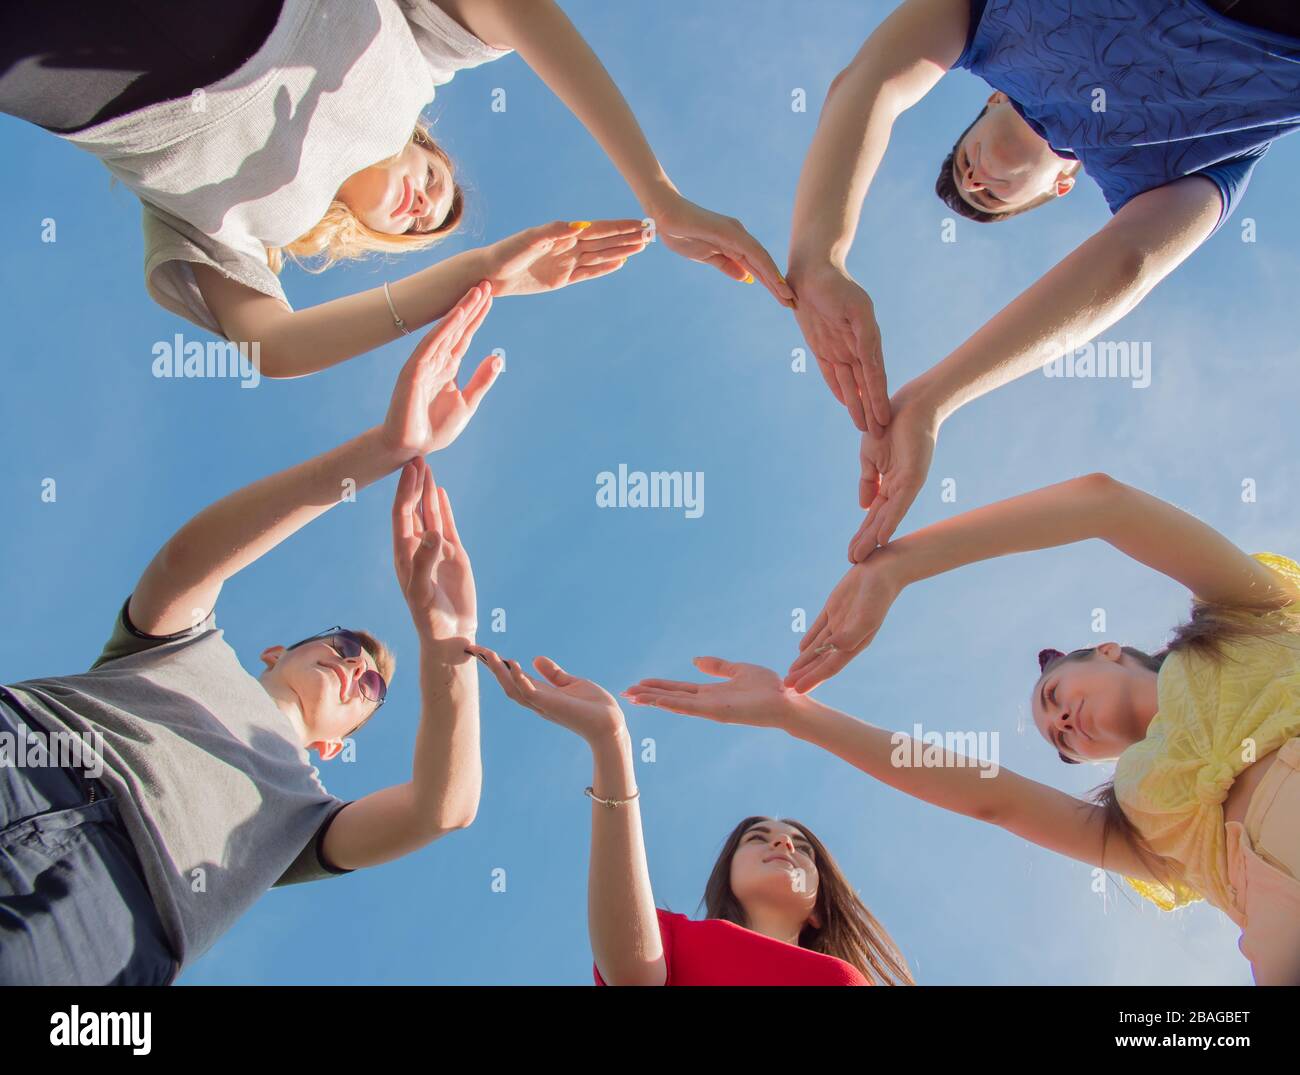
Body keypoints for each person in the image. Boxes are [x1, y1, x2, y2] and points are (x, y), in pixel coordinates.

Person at [0, 283, 496, 985]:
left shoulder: (306, 818)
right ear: (275, 650)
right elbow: (183, 566)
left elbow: (442, 809)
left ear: (334, 746)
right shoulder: (187, 647)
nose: (354, 666)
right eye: (347, 645)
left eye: (372, 684)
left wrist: (450, 642)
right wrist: (383, 449)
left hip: (110, 913)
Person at [629, 472, 1300, 984]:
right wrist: (795, 714)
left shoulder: (1246, 616)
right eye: (1059, 738)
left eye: (1056, 695)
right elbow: (993, 797)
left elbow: (1103, 503)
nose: (1063, 721)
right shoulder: (1142, 826)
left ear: (1108, 648)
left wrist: (900, 565)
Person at [0, 0, 793, 378]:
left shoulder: (252, 236)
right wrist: (659, 193)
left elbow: (273, 347)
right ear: (425, 139)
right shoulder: (419, 58)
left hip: (54, 59)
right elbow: (515, 11)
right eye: (437, 184)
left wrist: (476, 275)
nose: (426, 209)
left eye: (419, 229)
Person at [784, 0, 1300, 556]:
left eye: (963, 165)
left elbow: (872, 83)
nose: (977, 182)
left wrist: (818, 257)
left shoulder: (983, 25)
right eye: (990, 198)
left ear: (993, 100)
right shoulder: (1160, 175)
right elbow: (1131, 262)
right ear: (1059, 188)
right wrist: (933, 401)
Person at [467, 644, 912, 985]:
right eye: (756, 837)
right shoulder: (673, 941)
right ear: (726, 879)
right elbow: (630, 971)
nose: (783, 843)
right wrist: (611, 742)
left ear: (818, 911)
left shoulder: (846, 976)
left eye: (804, 849)